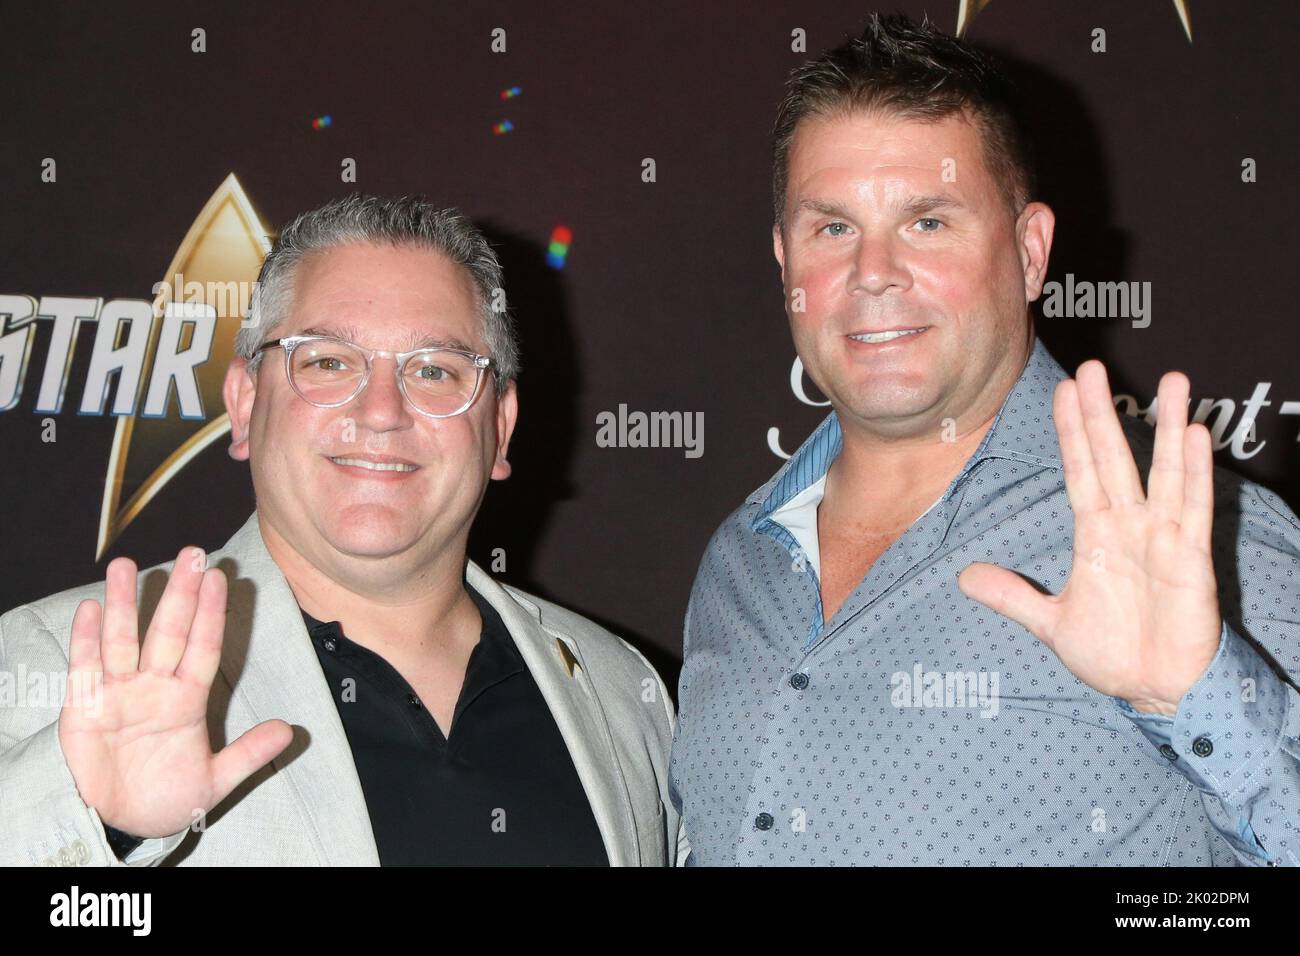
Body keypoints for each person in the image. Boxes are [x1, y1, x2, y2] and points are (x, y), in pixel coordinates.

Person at [668, 13, 1300, 866]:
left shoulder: (1197, 540)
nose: (873, 270)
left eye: (928, 222)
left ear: (1031, 251)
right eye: (832, 227)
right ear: (786, 261)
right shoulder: (738, 563)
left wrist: (1194, 699)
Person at [0, 195, 685, 866]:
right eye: (327, 361)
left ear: (500, 429)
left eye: (435, 370)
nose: (382, 411)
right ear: (243, 403)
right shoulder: (60, 667)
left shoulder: (624, 691)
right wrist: (100, 830)